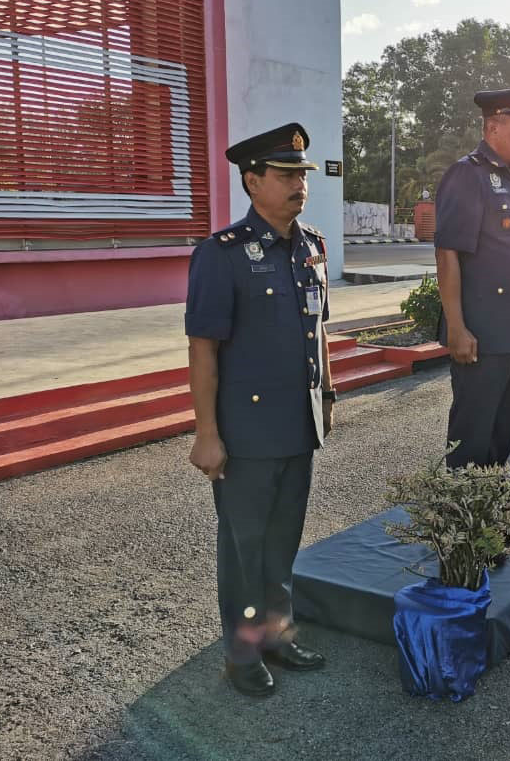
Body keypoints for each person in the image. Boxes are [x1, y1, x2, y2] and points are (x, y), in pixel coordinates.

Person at [185, 122, 336, 697]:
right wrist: (206, 432)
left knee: (282, 542)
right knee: (245, 549)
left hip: (299, 424)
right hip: (246, 433)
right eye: (286, 175)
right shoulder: (220, 254)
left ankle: (277, 635)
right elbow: (203, 348)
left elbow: (319, 331)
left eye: (303, 175)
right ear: (252, 181)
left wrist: (328, 396)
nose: (300, 185)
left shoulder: (311, 245)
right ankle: (243, 655)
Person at [433, 84, 510, 470]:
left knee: (503, 433)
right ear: (493, 127)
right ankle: (462, 506)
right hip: (483, 336)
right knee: (472, 436)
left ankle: (492, 502)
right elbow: (447, 252)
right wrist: (456, 327)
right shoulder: (468, 175)